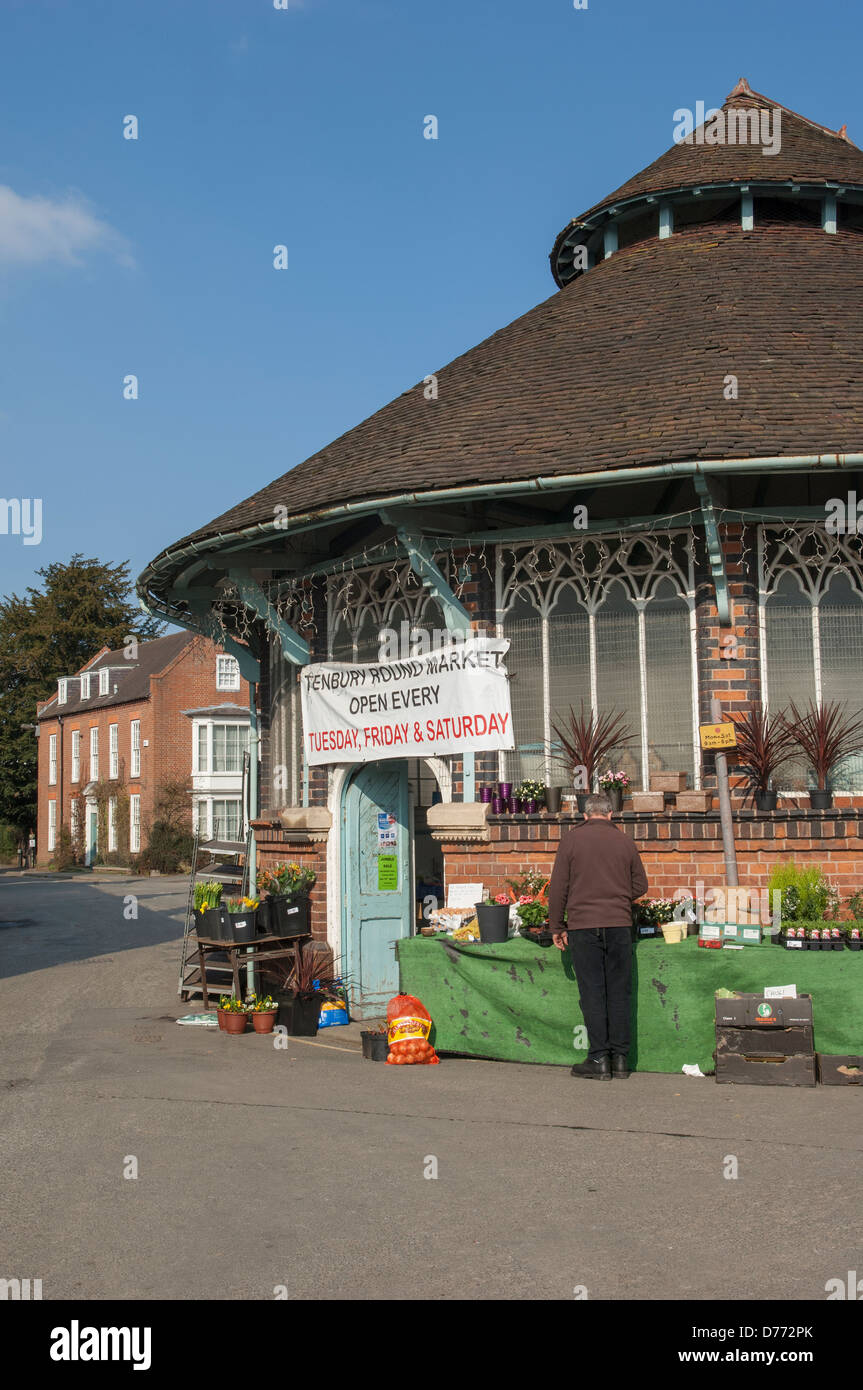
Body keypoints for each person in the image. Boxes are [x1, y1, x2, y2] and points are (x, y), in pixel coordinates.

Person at [549, 792, 648, 1080]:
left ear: (584, 815)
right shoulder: (624, 841)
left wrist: (557, 926)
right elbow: (641, 884)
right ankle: (620, 1059)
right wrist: (616, 896)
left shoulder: (571, 840)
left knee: (593, 993)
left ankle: (598, 1059)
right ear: (610, 814)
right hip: (618, 924)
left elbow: (558, 889)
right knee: (619, 993)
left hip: (583, 926)